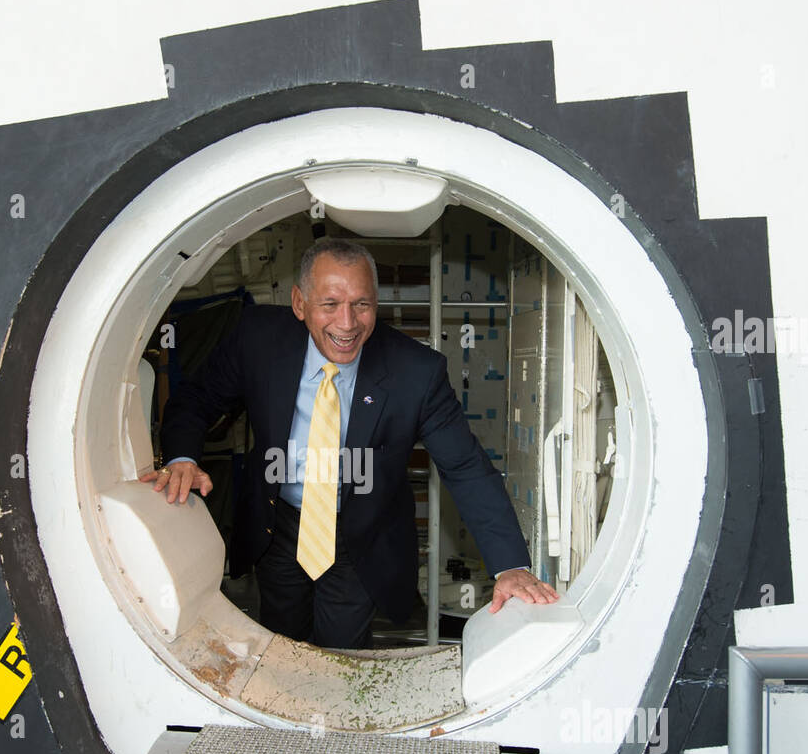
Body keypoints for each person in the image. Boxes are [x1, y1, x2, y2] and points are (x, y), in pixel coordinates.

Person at [141, 237, 558, 648]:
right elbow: (196, 399)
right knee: (280, 648)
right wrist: (181, 457)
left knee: (341, 654)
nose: (347, 323)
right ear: (300, 303)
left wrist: (510, 566)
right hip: (279, 525)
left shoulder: (416, 372)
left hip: (361, 533)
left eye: (362, 304)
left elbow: (465, 466)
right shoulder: (257, 337)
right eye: (330, 305)